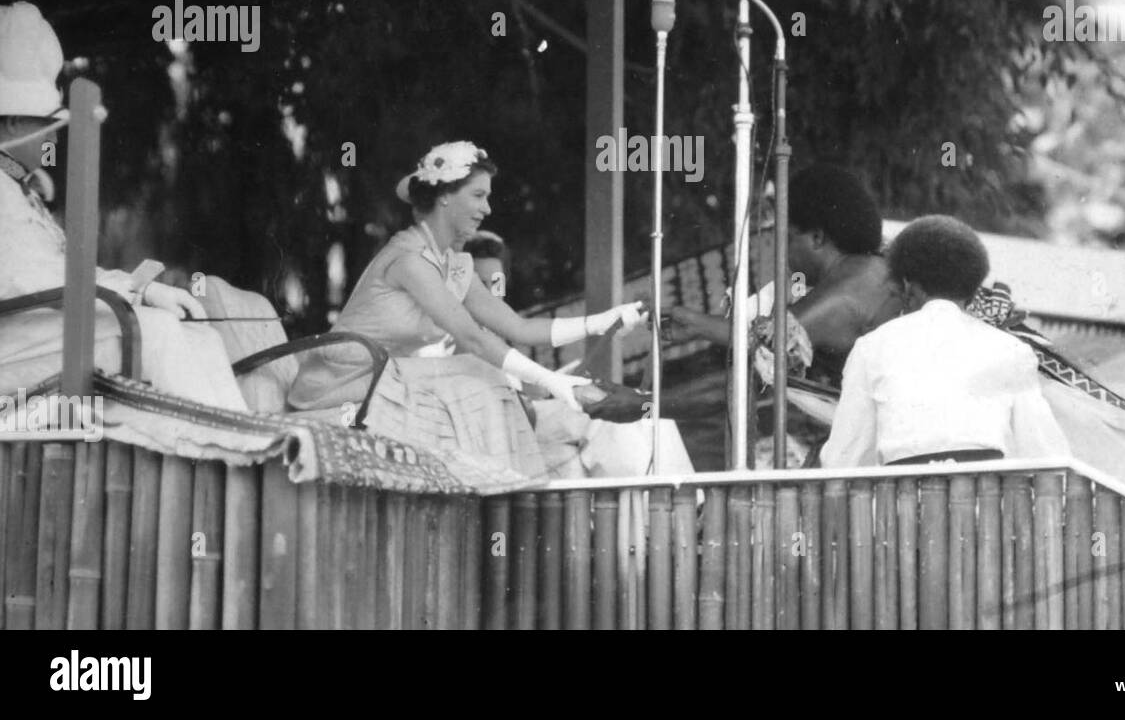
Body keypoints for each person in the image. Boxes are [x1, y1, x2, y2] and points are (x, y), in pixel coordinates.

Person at [289, 141, 646, 480]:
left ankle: (508, 495)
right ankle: (501, 493)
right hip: (343, 381)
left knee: (482, 376)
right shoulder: (408, 260)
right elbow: (472, 338)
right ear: (444, 197)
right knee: (478, 371)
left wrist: (605, 320)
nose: (487, 208)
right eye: (478, 195)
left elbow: (518, 327)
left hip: (388, 377)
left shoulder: (455, 265)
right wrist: (553, 381)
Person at [0, 1, 248, 412]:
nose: (56, 139)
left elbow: (64, 274)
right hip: (11, 344)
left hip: (37, 328)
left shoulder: (18, 189)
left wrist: (139, 288)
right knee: (158, 333)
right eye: (48, 125)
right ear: (10, 123)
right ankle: (230, 454)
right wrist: (138, 294)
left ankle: (247, 442)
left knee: (197, 335)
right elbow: (29, 278)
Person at [618, 163, 901, 469]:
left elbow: (738, 385)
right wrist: (696, 324)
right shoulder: (871, 271)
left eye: (788, 239)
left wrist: (640, 406)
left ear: (817, 238)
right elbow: (761, 340)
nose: (784, 255)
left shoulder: (838, 297)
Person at [821, 215, 1069, 468]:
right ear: (971, 293)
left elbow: (844, 458)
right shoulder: (1012, 350)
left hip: (900, 501)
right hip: (988, 501)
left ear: (908, 285)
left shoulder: (870, 348)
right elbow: (1045, 453)